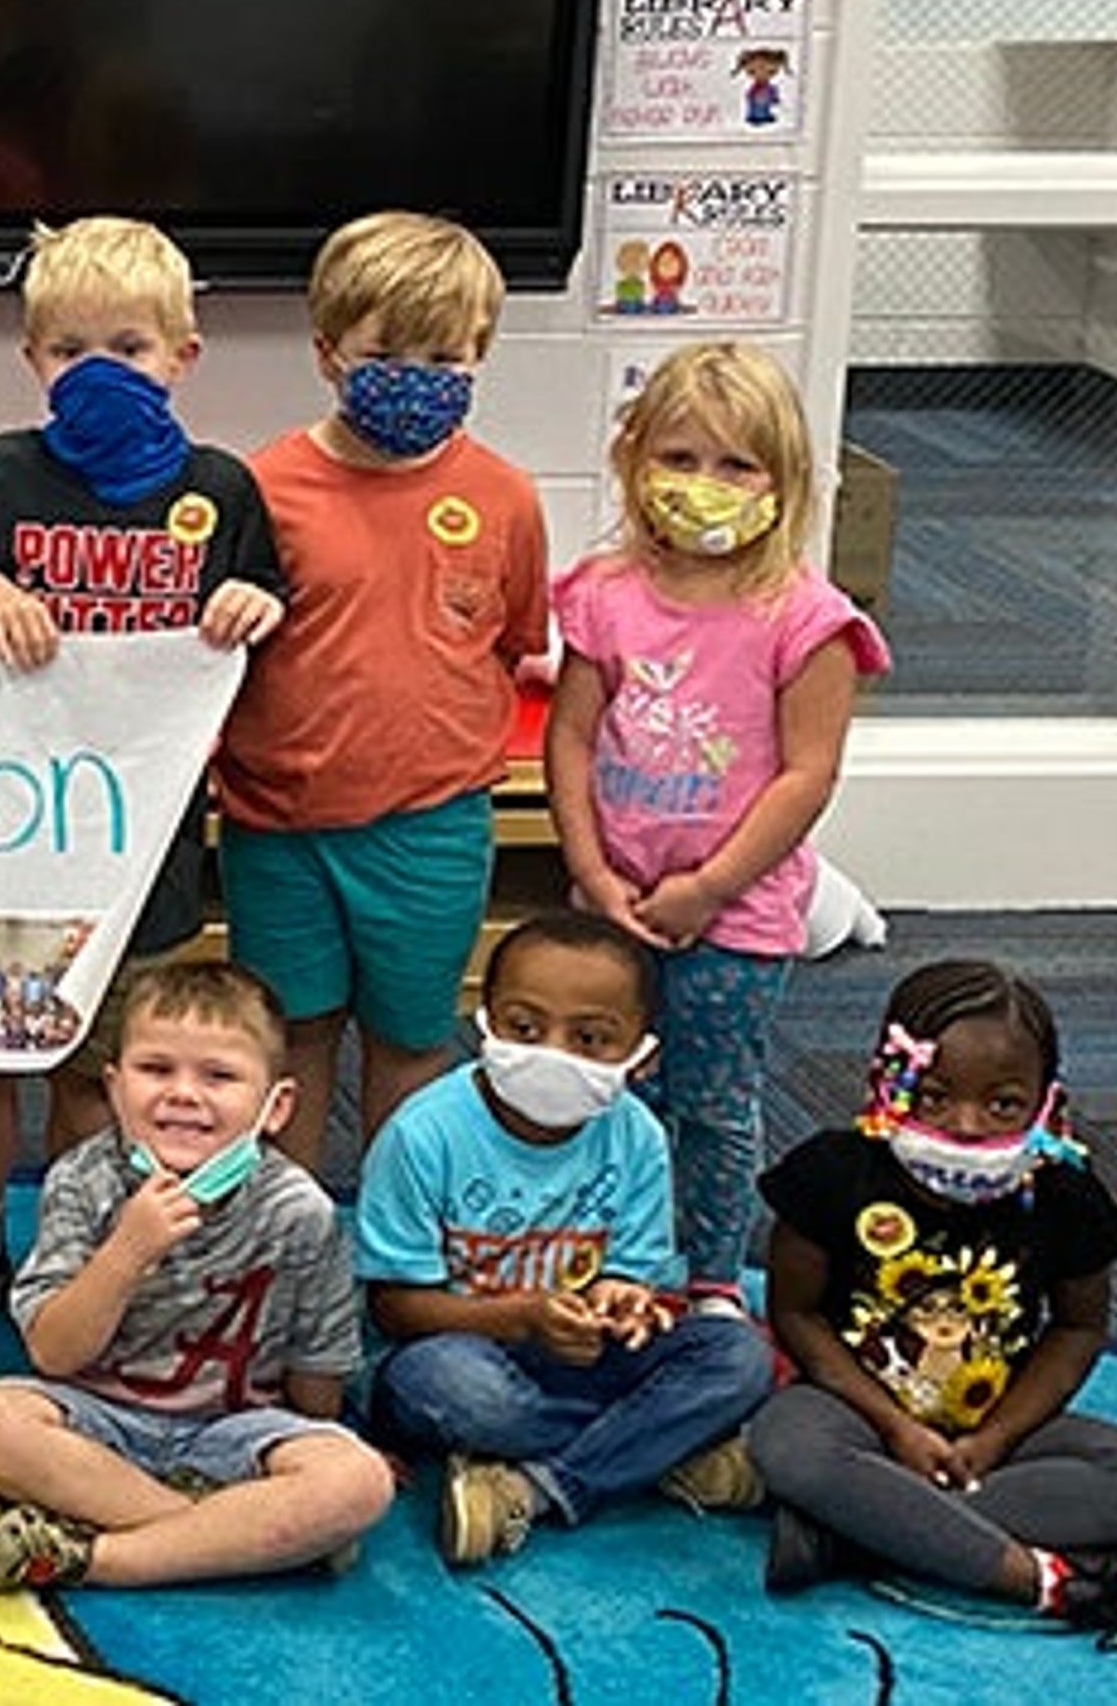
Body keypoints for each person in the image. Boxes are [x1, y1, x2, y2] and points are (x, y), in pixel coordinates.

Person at [0, 218, 286, 1346]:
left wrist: (252, 603)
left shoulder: (219, 488)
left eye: (130, 348)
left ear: (183, 357)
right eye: (69, 351)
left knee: (93, 1066)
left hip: (142, 841)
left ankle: (76, 1242)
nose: (99, 372)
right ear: (31, 360)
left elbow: (266, 596)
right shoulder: (2, 472)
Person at [748, 960, 1117, 1634]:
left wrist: (996, 1436)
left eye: (1004, 1104)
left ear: (1047, 1101)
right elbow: (796, 1313)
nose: (968, 1124)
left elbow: (1077, 1329)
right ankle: (1050, 1583)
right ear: (889, 1083)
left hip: (995, 1434)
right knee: (789, 1447)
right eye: (934, 1097)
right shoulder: (834, 1172)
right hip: (856, 1416)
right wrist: (896, 1427)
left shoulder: (1065, 1194)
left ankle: (853, 1533)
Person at [547, 341, 889, 1303]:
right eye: (680, 458)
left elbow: (807, 776)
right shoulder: (605, 593)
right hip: (610, 900)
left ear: (784, 480)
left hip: (734, 918)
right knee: (600, 1090)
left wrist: (707, 888)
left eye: (738, 464)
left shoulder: (806, 618)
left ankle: (707, 1276)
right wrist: (593, 872)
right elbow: (572, 736)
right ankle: (601, 1259)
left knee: (709, 1101)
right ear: (635, 460)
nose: (706, 483)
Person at [214, 211, 548, 1167]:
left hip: (430, 824)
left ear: (480, 353)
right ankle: (291, 1227)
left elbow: (514, 642)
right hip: (281, 825)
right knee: (293, 1037)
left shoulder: (506, 496)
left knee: (411, 1038)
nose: (417, 376)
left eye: (444, 357)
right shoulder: (261, 489)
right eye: (385, 354)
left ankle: (401, 1224)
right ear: (327, 352)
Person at [0, 960, 389, 1592]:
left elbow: (318, 1375)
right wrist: (126, 1253)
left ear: (276, 1106)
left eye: (219, 1076)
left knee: (358, 1479)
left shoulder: (299, 1209)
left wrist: (317, 1443)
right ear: (114, 1086)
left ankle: (96, 1557)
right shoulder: (81, 1181)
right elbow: (52, 1353)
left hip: (234, 1435)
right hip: (96, 1424)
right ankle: (221, 1534)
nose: (183, 1093)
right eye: (156, 1069)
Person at [353, 910, 772, 1568]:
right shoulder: (422, 1134)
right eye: (524, 1027)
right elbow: (393, 1310)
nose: (553, 1052)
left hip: (583, 1358)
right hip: (461, 1351)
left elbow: (633, 1275)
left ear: (641, 1055)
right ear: (484, 1021)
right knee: (452, 1388)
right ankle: (660, 1450)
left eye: (591, 1038)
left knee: (737, 1354)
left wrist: (622, 1300)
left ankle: (537, 1486)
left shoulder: (636, 1134)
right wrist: (523, 1317)